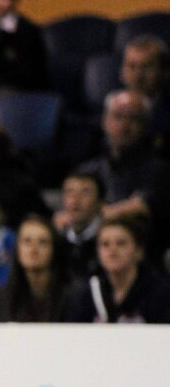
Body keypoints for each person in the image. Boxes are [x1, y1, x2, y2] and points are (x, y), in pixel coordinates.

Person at [76, 90, 170, 264]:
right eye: (118, 117)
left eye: (134, 118)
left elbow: (140, 207)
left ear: (146, 125)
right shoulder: (89, 169)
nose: (125, 126)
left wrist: (90, 215)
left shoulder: (159, 170)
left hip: (142, 260)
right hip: (92, 257)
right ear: (105, 121)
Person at [64, 219, 170, 324]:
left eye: (121, 243)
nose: (112, 250)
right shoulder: (88, 292)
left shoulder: (159, 291)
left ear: (138, 250)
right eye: (105, 244)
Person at [0, 214, 71, 322]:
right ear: (17, 248)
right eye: (27, 241)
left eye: (42, 242)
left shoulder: (72, 296)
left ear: (54, 249)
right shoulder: (4, 297)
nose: (34, 249)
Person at [53, 171, 103, 278]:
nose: (75, 200)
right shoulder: (55, 240)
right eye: (69, 192)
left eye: (85, 192)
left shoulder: (108, 240)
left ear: (100, 201)